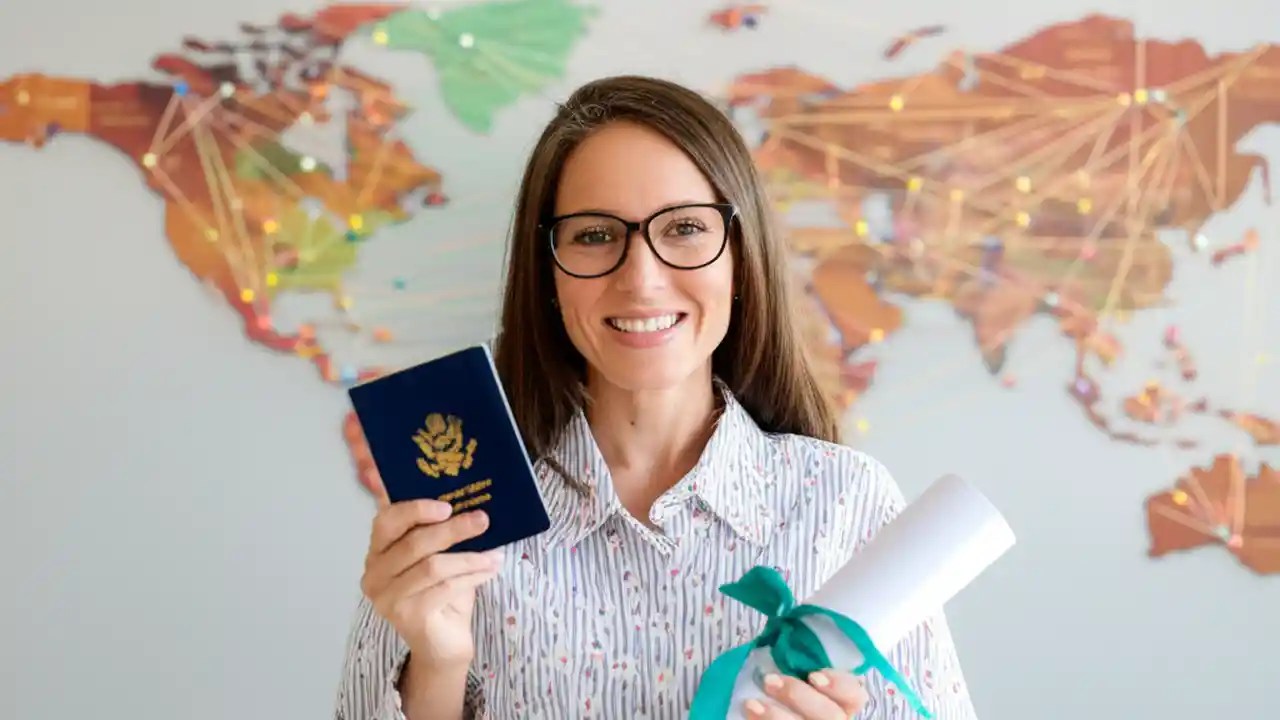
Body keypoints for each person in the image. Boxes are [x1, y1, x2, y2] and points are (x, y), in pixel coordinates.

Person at [334, 75, 980, 720]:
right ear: (548, 273)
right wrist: (437, 667)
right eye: (594, 235)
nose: (641, 280)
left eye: (685, 228)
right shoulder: (455, 521)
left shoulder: (847, 504)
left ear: (740, 260)